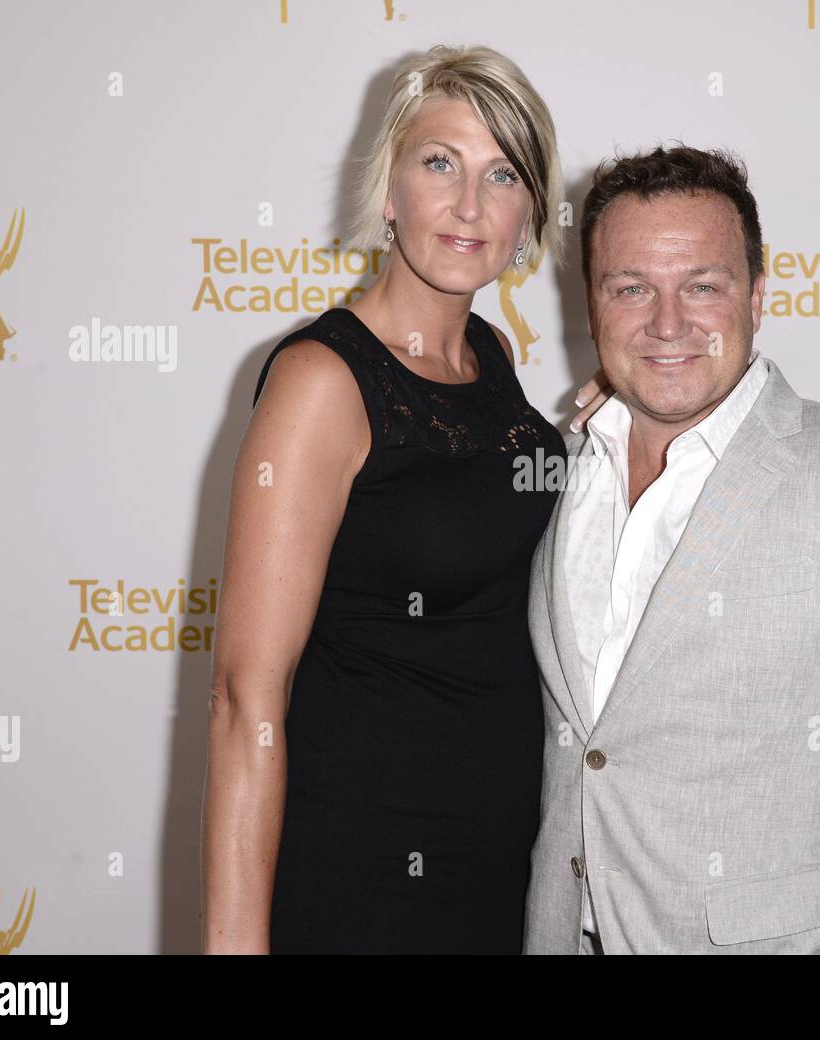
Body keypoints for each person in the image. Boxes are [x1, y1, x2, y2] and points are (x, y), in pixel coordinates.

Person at [524, 144, 820, 954]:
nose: (667, 322)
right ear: (593, 306)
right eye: (632, 287)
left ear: (757, 295)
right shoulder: (555, 472)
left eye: (702, 286)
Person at [201, 44, 606, 954]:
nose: (470, 205)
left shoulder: (492, 363)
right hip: (363, 878)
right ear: (389, 191)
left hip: (500, 872)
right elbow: (242, 699)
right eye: (440, 164)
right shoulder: (323, 382)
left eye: (503, 173)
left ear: (531, 213)